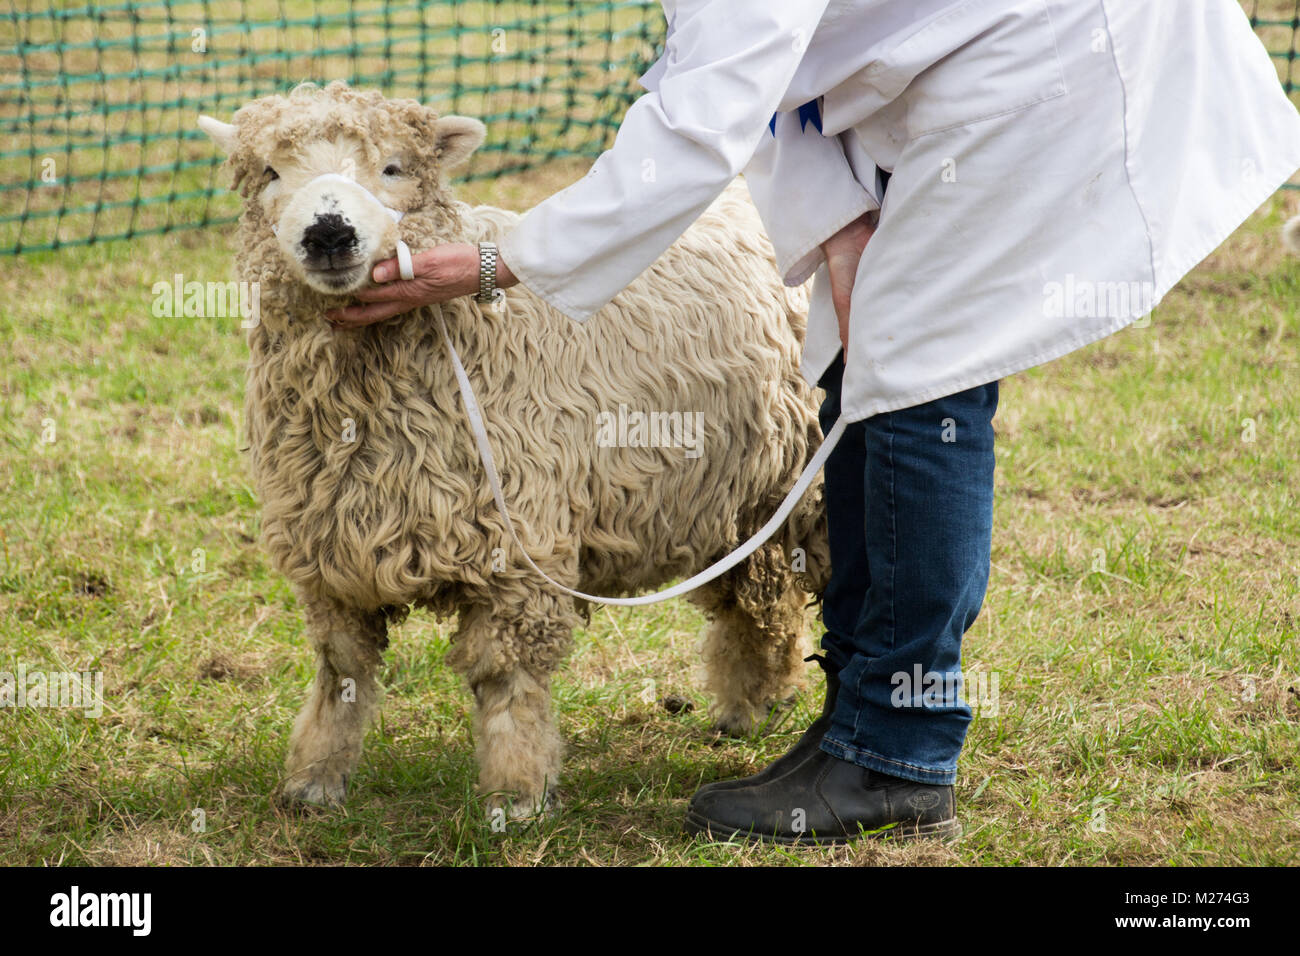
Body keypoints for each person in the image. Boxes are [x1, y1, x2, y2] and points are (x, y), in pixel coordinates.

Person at [329, 0, 1300, 843]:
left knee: (924, 377)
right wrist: (836, 216)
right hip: (959, 59)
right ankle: (858, 703)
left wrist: (500, 261)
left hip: (1049, 58)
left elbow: (701, 120)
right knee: (862, 360)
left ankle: (896, 750)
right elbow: (749, 68)